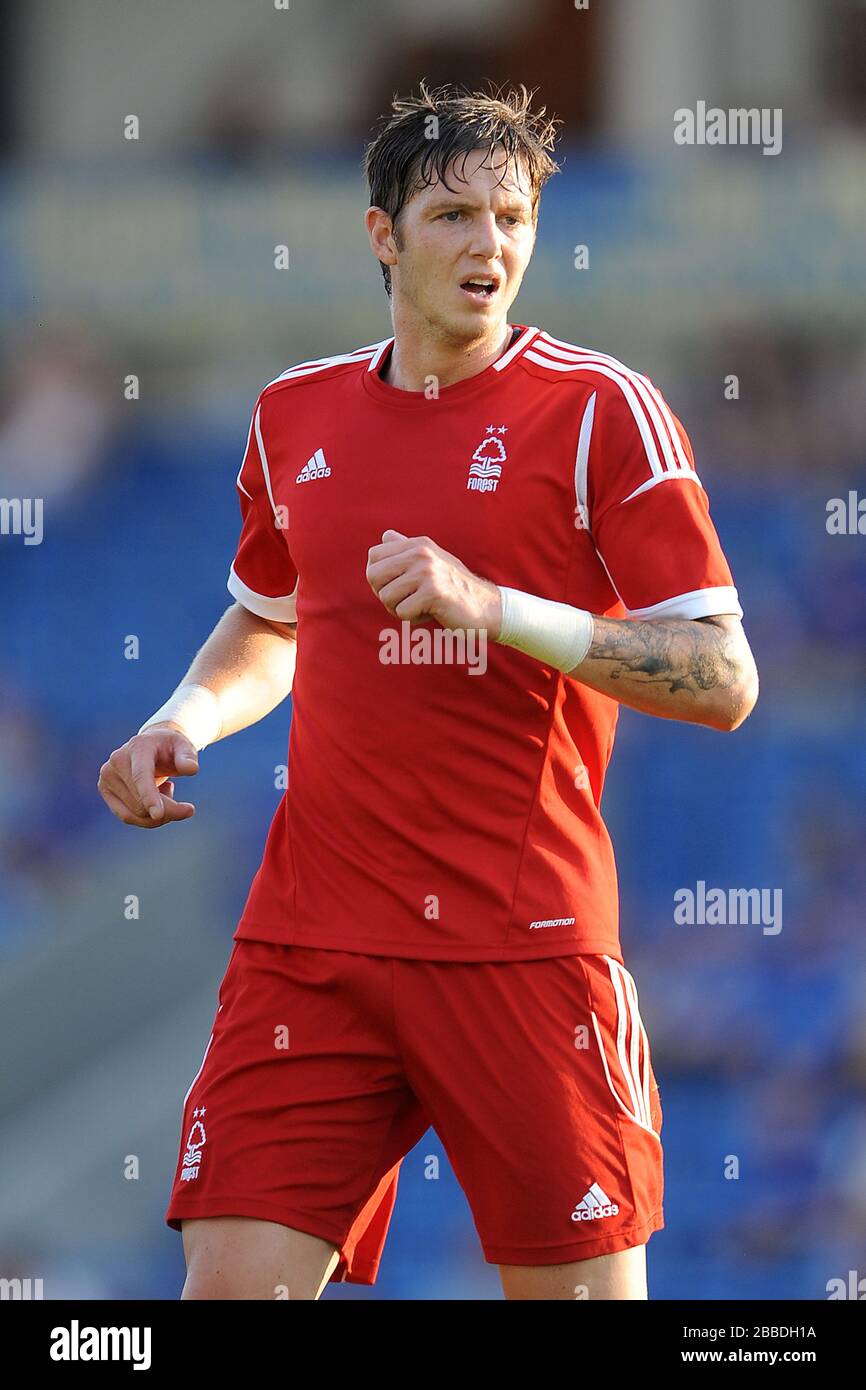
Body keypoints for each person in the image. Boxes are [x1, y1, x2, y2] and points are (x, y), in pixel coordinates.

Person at [97, 82, 758, 1301]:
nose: (489, 245)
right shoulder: (291, 414)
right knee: (229, 1288)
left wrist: (493, 606)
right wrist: (176, 721)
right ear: (380, 235)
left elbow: (721, 679)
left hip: (525, 949)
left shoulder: (600, 412)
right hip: (312, 942)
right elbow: (272, 614)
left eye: (511, 217)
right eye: (454, 215)